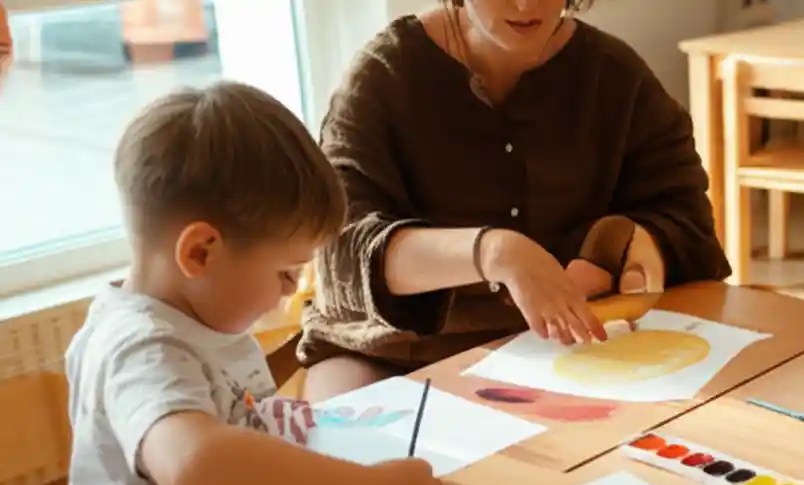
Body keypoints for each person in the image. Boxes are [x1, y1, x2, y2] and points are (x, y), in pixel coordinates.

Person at [47, 82, 444, 485]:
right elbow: (192, 460)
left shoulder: (195, 312)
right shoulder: (139, 345)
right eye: (286, 274)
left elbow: (234, 403)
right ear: (200, 251)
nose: (291, 293)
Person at [299, 0, 731, 402]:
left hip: (560, 354)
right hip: (388, 357)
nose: (526, 4)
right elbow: (339, 251)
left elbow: (688, 225)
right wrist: (493, 252)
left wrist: (625, 248)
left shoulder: (616, 75)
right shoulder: (385, 75)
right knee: (357, 450)